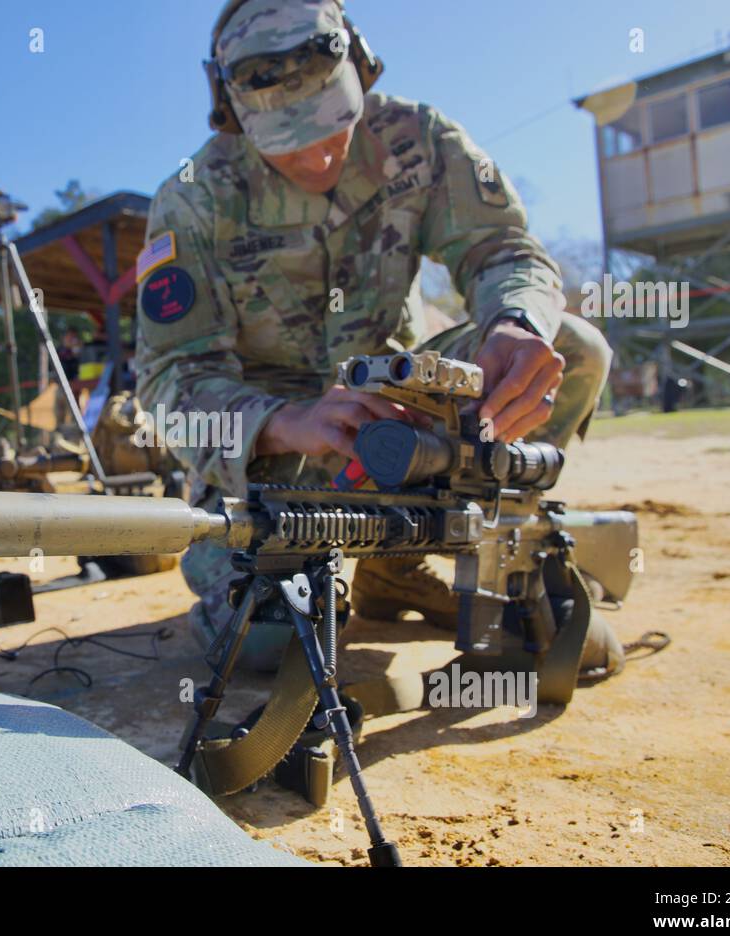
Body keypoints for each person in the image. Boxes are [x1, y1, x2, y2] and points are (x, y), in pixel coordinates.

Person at [134, 0, 618, 675]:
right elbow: (166, 384)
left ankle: (420, 565)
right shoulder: (192, 200)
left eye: (336, 121)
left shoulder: (418, 136)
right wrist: (286, 422)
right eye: (285, 141)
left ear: (361, 67)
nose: (321, 153)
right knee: (275, 644)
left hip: (403, 432)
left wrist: (516, 324)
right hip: (272, 465)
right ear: (230, 112)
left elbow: (503, 249)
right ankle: (297, 584)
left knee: (576, 343)